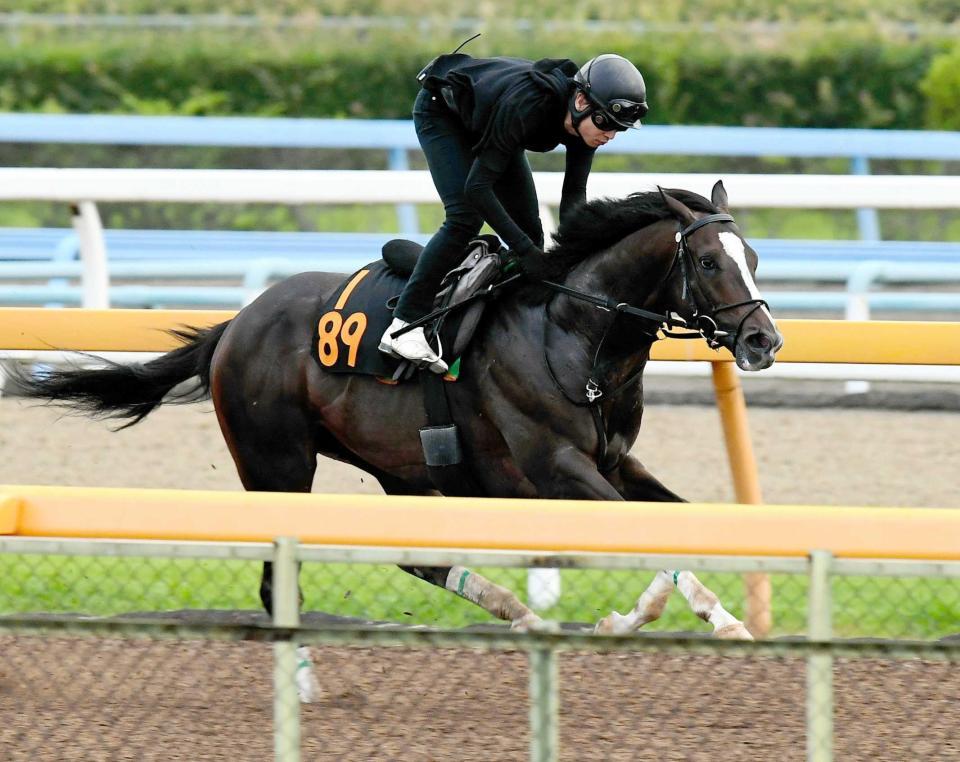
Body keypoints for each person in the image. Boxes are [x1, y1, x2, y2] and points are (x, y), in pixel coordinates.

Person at [378, 51, 649, 373]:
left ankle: (500, 319)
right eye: (606, 123)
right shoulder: (528, 108)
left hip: (490, 121)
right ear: (580, 102)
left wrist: (572, 257)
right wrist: (527, 253)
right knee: (465, 218)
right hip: (443, 111)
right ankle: (404, 324)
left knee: (530, 231)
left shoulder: (585, 123)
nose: (609, 135)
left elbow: (573, 195)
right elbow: (477, 188)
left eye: (618, 128)